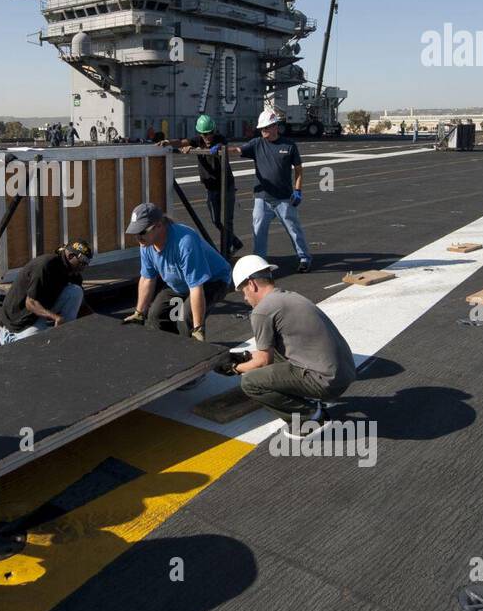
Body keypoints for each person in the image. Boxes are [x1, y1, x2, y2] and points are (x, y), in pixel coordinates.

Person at [223, 254, 356, 433]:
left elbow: (263, 361)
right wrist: (246, 357)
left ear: (252, 284)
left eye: (243, 291)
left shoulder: (262, 311)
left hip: (327, 381)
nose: (245, 298)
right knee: (275, 350)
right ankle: (310, 398)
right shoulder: (288, 297)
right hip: (344, 371)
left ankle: (311, 416)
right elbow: (270, 353)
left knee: (250, 383)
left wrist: (234, 369)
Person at [121, 202, 232, 341]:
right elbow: (147, 278)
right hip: (181, 284)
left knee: (184, 319)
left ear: (159, 226)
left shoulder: (185, 242)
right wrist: (139, 313)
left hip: (213, 281)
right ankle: (168, 352)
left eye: (142, 232)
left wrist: (198, 328)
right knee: (156, 316)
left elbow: (196, 287)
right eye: (135, 233)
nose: (138, 238)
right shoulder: (146, 244)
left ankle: (192, 356)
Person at [236, 108, 311, 273]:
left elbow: (298, 169)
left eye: (266, 127)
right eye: (261, 128)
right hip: (262, 199)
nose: (263, 131)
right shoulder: (256, 144)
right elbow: (238, 150)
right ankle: (260, 264)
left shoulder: (289, 146)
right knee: (258, 233)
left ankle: (304, 258)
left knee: (294, 230)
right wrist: (220, 149)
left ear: (275, 126)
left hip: (284, 198)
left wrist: (298, 191)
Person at [164, 114, 242, 252]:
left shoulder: (219, 139)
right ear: (200, 133)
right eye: (204, 134)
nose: (207, 137)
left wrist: (215, 148)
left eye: (209, 133)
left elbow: (223, 144)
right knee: (216, 220)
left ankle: (227, 249)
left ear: (214, 131)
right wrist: (168, 142)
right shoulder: (197, 140)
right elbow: (182, 142)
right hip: (211, 187)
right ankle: (235, 242)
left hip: (226, 186)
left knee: (226, 220)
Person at [0, 240, 94, 345]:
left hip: (42, 306)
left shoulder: (73, 272)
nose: (84, 267)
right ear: (70, 256)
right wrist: (55, 317)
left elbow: (82, 305)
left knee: (75, 292)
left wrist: (96, 321)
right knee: (36, 341)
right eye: (83, 262)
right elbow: (30, 303)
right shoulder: (45, 266)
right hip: (21, 313)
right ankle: (2, 333)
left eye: (87, 263)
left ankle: (64, 332)